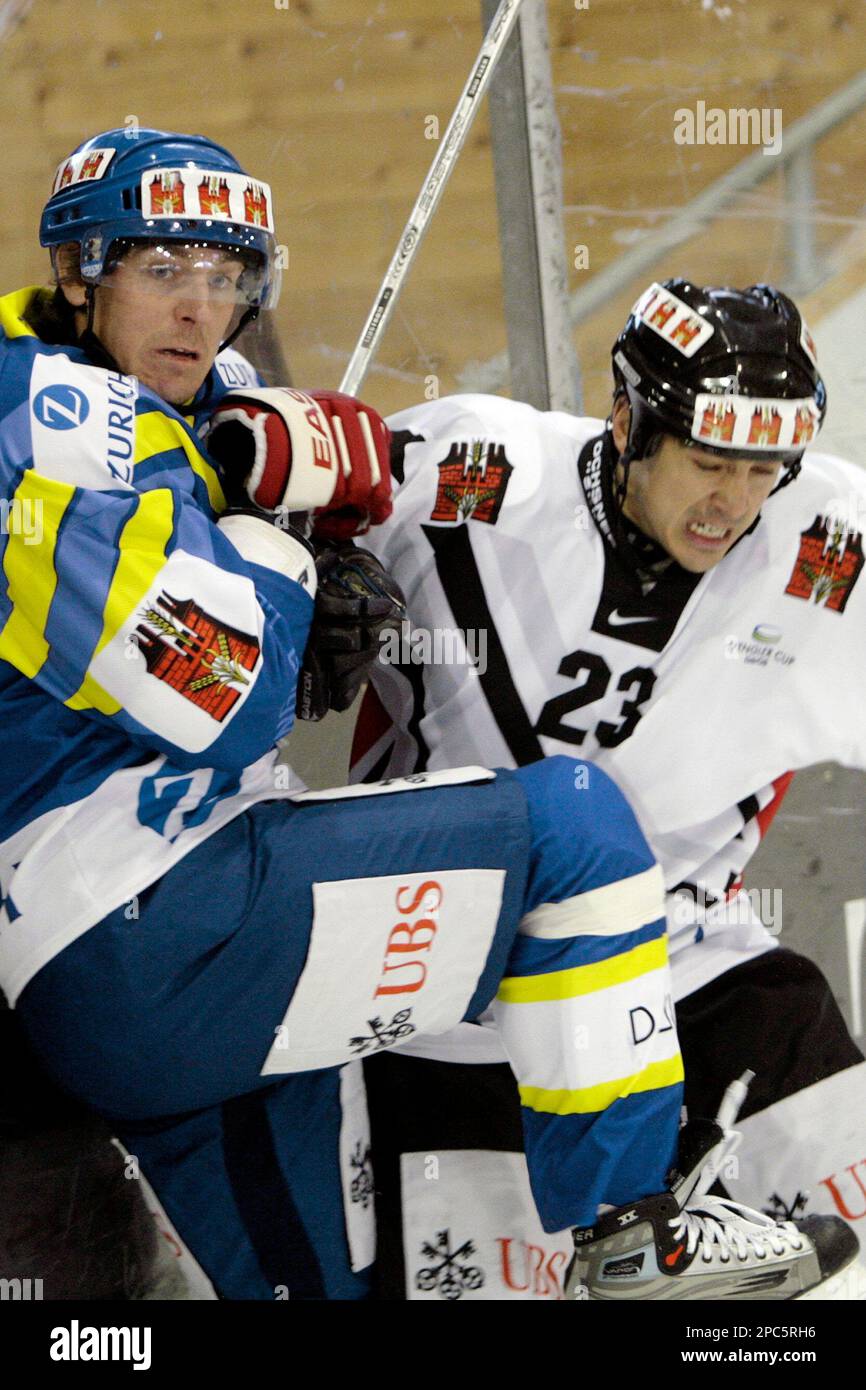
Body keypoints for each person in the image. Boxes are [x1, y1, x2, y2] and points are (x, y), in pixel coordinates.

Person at [0, 130, 785, 1302]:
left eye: (226, 278)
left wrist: (281, 497)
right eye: (162, 269)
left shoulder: (148, 407)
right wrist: (278, 553)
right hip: (146, 920)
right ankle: (629, 1227)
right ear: (81, 270)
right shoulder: (55, 419)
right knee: (572, 824)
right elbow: (221, 693)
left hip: (175, 979)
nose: (199, 310)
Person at [352, 278, 866, 1300]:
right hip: (447, 1005)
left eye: (761, 468)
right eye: (707, 461)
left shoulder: (827, 540)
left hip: (696, 976)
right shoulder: (476, 465)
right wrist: (303, 573)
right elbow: (250, 491)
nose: (731, 500)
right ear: (627, 420)